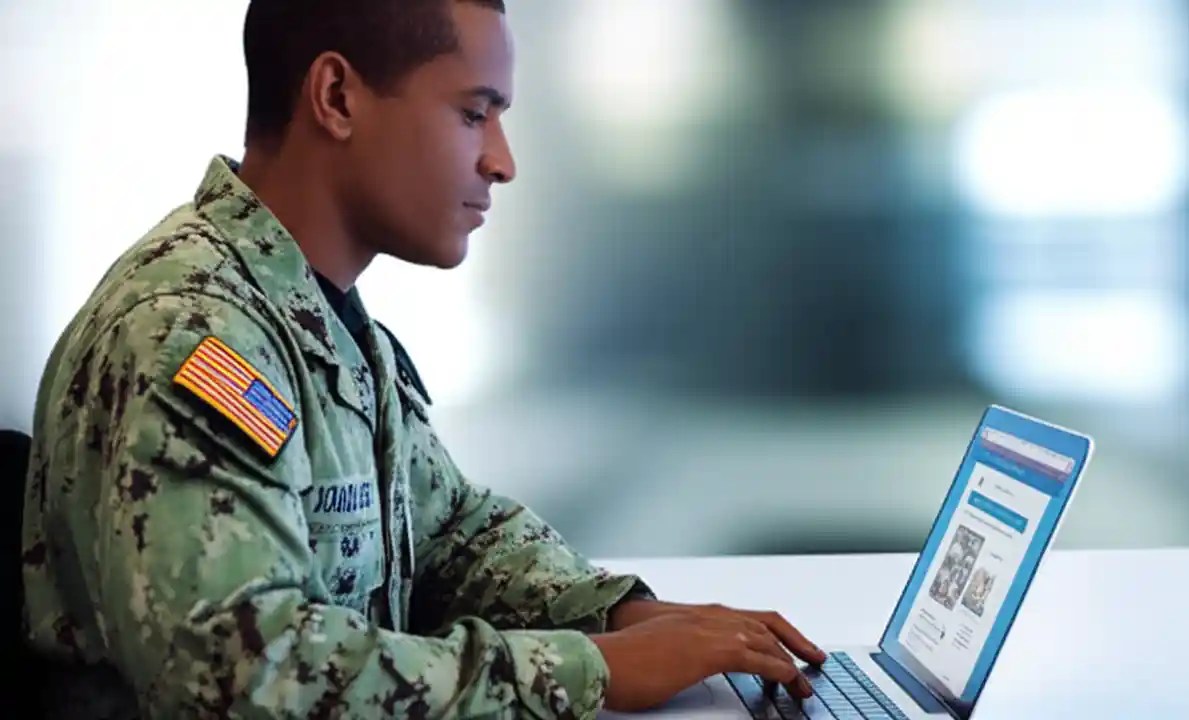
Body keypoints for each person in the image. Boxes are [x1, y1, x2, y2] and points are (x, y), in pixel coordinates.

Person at [18, 1, 827, 717]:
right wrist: (593, 670)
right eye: (474, 114)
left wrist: (618, 617)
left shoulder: (314, 314)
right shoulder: (191, 334)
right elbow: (245, 681)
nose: (502, 161)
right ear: (338, 98)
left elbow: (449, 534)